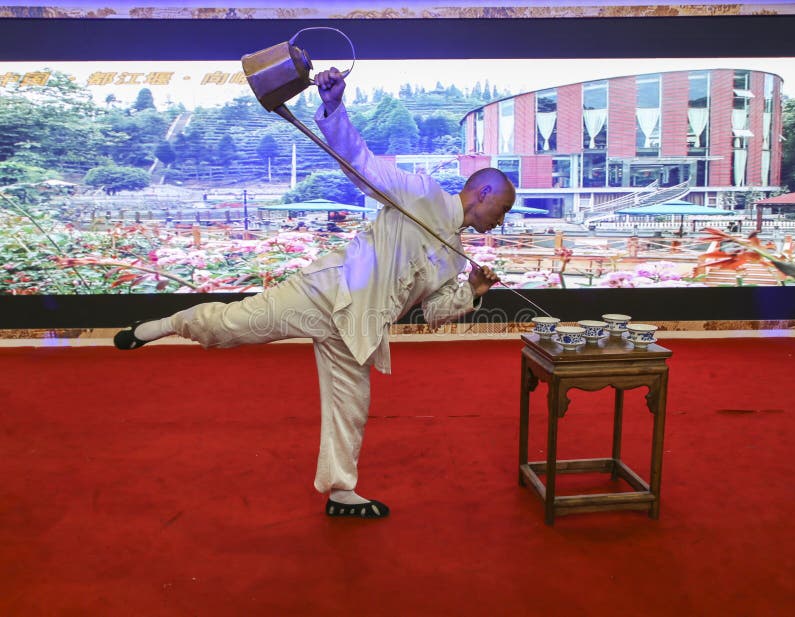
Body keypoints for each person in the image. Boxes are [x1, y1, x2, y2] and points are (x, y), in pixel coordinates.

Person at [113, 67, 515, 519]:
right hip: (326, 291)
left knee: (351, 407)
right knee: (230, 326)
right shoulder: (422, 194)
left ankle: (341, 493)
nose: (500, 221)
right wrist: (334, 108)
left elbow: (434, 313)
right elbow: (362, 164)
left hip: (359, 327)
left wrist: (472, 290)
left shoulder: (456, 259)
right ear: (483, 192)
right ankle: (161, 325)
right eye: (502, 209)